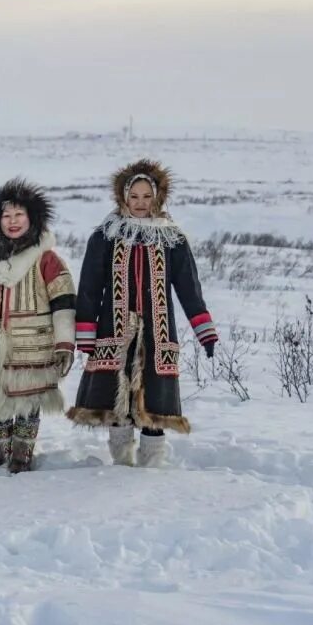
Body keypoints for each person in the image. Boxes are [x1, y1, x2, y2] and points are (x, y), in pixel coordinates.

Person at [68, 159, 217, 467]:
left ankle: (152, 463)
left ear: (158, 197)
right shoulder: (106, 236)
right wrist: (85, 331)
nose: (140, 203)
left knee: (156, 401)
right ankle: (122, 460)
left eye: (146, 196)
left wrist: (204, 330)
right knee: (115, 398)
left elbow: (189, 287)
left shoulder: (171, 239)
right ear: (123, 197)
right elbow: (89, 287)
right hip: (113, 329)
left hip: (158, 332)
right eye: (133, 196)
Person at [0, 179, 76, 473]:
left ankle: (22, 455)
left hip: (31, 348)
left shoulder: (46, 259)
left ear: (32, 218)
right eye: (6, 215)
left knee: (27, 404)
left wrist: (64, 345)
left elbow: (64, 303)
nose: (12, 221)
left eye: (19, 215)